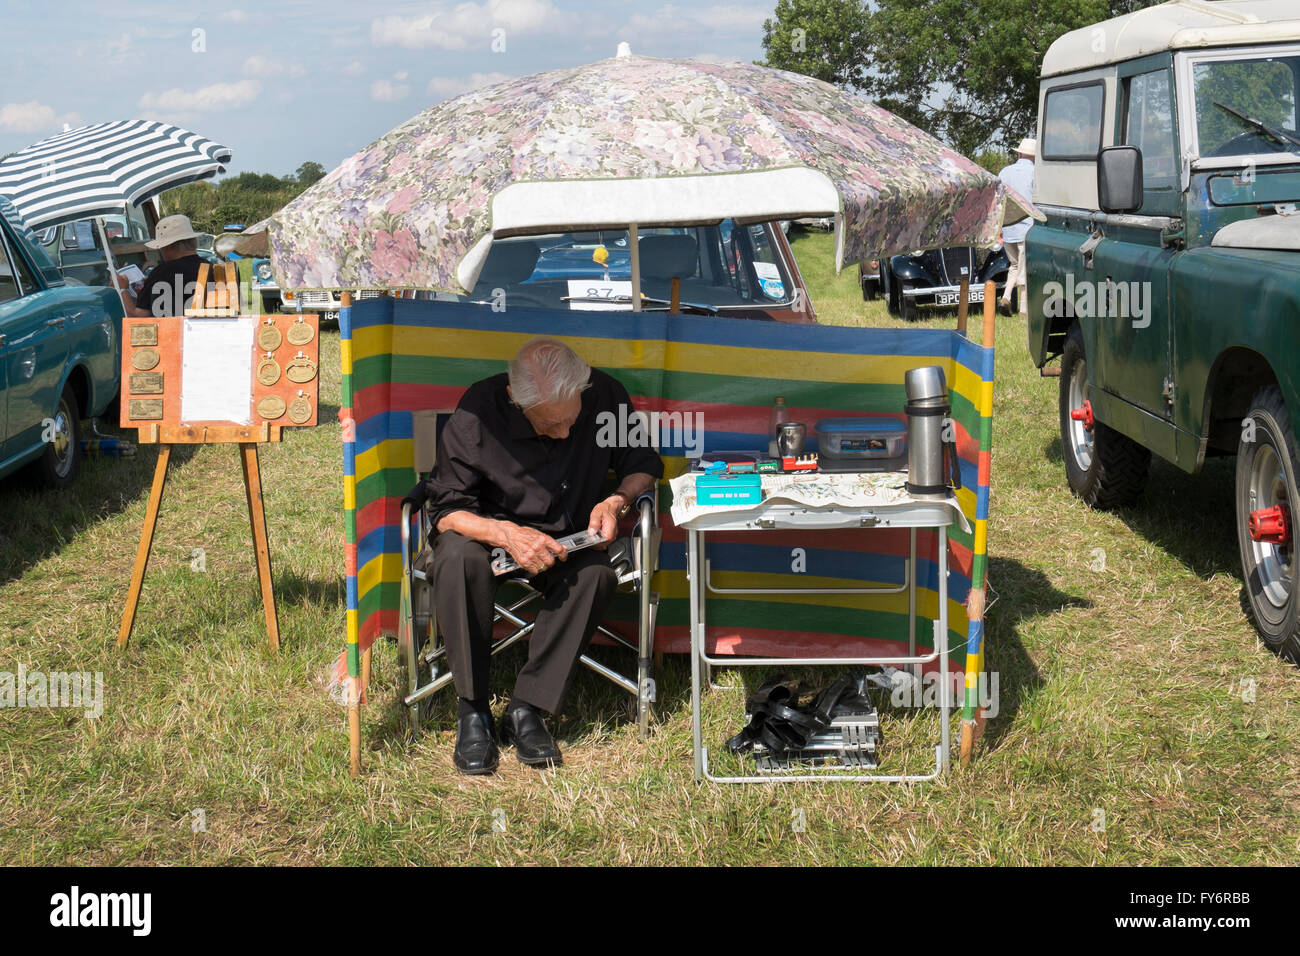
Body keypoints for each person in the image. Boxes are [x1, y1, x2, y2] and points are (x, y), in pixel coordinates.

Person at [422, 338, 663, 774]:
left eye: (571, 421)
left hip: (571, 538)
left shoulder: (604, 395)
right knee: (456, 559)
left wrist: (615, 502)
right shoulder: (481, 409)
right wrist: (504, 533)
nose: (566, 433)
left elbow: (643, 463)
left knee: (597, 577)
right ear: (517, 401)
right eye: (551, 425)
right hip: (489, 536)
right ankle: (472, 708)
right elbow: (444, 510)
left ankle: (527, 708)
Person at [114, 214, 214, 317]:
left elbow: (135, 315)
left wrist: (122, 289)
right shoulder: (211, 268)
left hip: (174, 331)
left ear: (169, 246)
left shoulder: (162, 273)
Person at [997, 137, 1036, 316]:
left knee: (1014, 266)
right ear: (1034, 157)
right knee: (1024, 268)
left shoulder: (1005, 172)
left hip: (1008, 227)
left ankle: (1006, 297)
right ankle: (1024, 309)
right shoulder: (1036, 173)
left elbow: (997, 199)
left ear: (1019, 153)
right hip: (1027, 227)